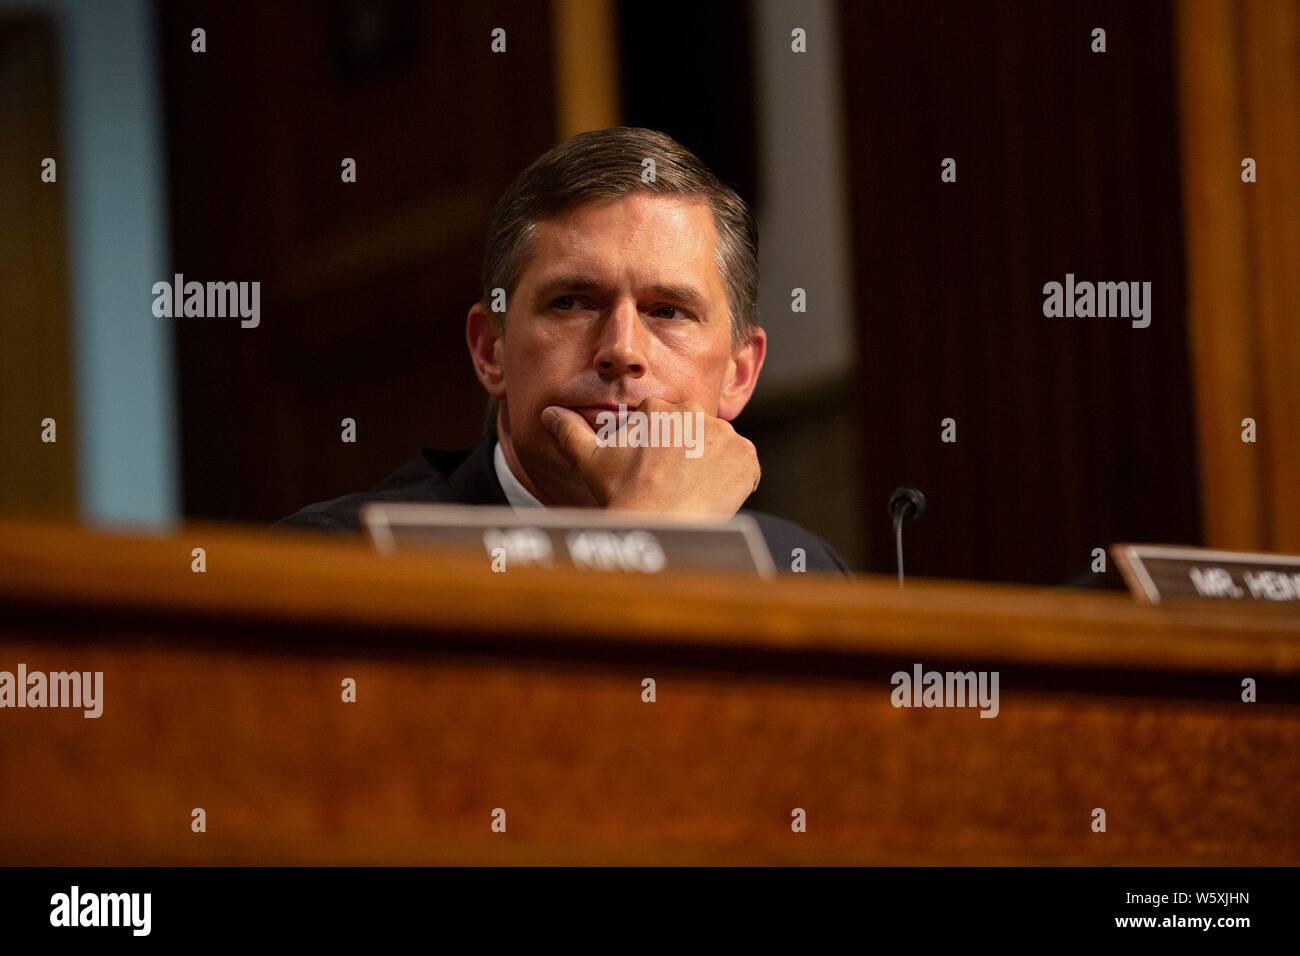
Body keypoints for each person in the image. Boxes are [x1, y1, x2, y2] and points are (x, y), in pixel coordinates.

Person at [278, 127, 847, 575]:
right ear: (490, 351)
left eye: (667, 311)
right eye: (573, 302)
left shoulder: (803, 570)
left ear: (739, 374)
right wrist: (652, 540)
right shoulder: (340, 560)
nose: (621, 350)